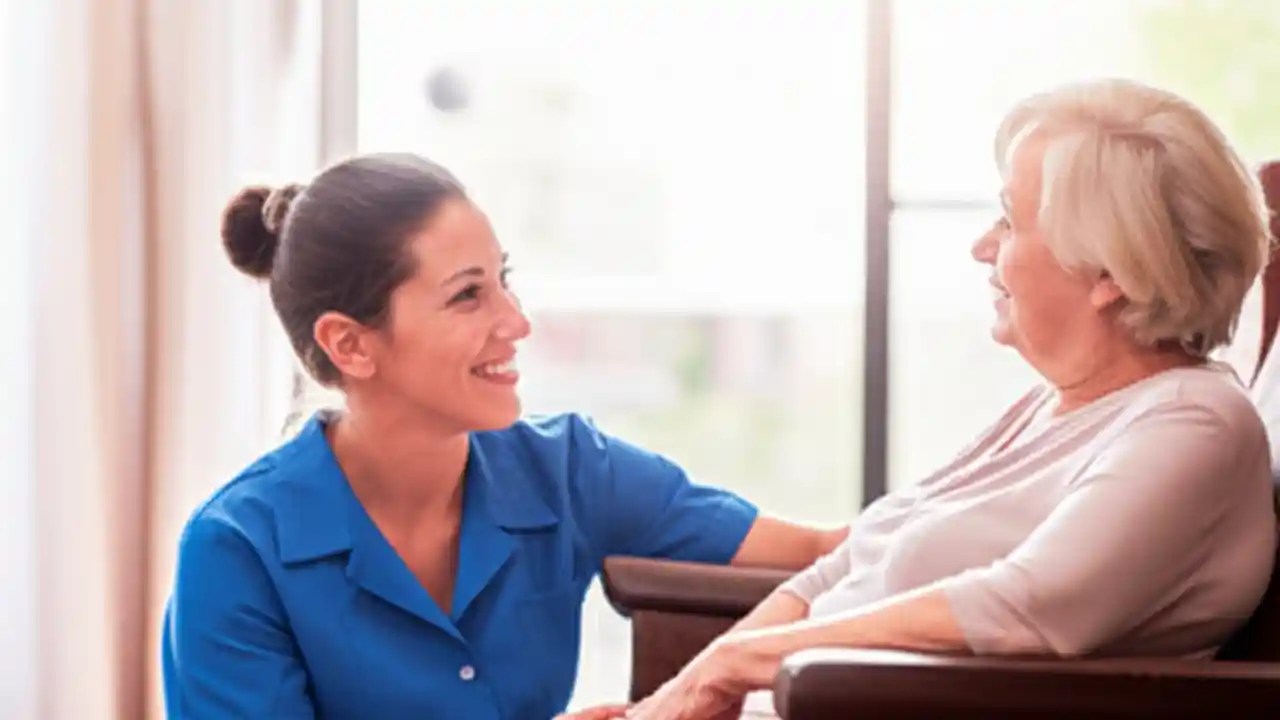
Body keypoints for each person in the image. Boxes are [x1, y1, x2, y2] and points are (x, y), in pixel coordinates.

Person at [615, 78, 1279, 719]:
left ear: (1111, 270)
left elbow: (1026, 607)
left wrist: (733, 666)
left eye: (1011, 222)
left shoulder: (1197, 427)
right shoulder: (1059, 407)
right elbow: (835, 572)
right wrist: (677, 696)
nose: (981, 246)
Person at [160, 154, 847, 720]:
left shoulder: (568, 470)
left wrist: (954, 546)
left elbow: (821, 554)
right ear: (350, 344)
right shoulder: (237, 550)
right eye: (468, 295)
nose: (516, 322)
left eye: (504, 281)